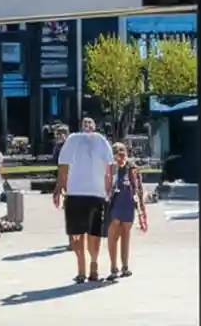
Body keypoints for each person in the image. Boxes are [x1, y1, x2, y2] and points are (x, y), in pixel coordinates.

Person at [53, 117, 113, 283]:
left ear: (94, 126)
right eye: (85, 123)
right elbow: (63, 166)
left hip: (95, 193)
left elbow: (109, 167)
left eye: (90, 123)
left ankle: (93, 265)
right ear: (80, 127)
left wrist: (109, 188)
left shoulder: (100, 140)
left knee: (94, 233)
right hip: (76, 192)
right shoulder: (72, 140)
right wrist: (59, 187)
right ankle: (82, 268)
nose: (87, 126)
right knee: (77, 234)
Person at [106, 142, 149, 281]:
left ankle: (125, 266)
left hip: (128, 204)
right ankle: (113, 266)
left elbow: (139, 188)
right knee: (113, 236)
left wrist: (141, 208)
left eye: (122, 150)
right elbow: (106, 186)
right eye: (117, 151)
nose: (120, 153)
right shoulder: (110, 168)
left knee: (126, 235)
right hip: (114, 204)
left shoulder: (132, 168)